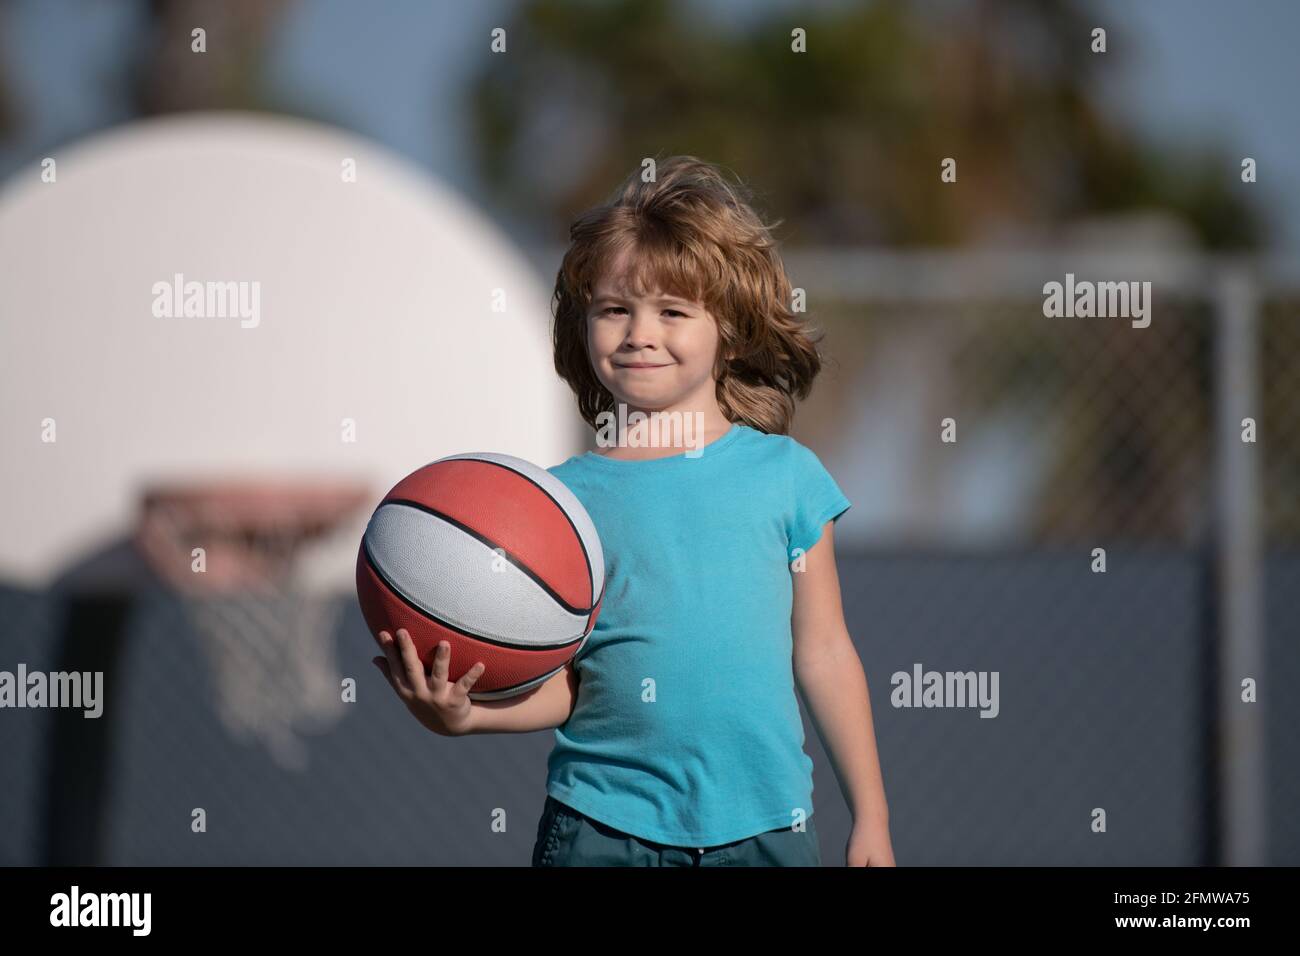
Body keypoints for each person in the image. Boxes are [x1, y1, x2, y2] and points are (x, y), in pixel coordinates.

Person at [372, 156, 894, 867]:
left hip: (768, 828)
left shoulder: (788, 477)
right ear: (584, 327)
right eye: (615, 308)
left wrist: (871, 815)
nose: (639, 333)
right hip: (601, 828)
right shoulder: (557, 505)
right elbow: (567, 686)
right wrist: (468, 716)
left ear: (730, 330)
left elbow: (825, 650)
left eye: (673, 312)